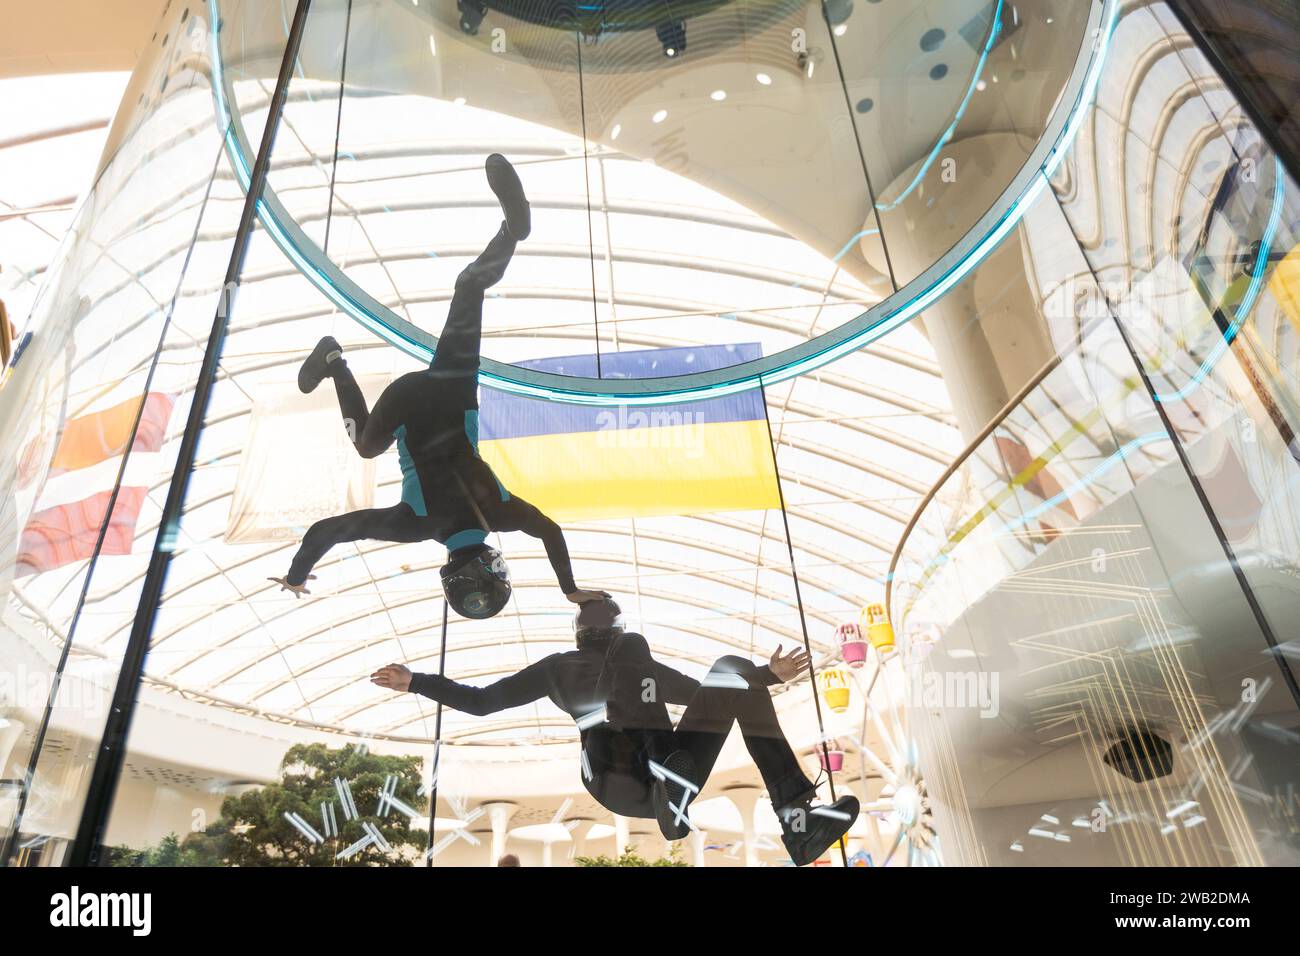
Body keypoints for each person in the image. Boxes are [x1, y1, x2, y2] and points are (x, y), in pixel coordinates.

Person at [269, 154, 602, 618]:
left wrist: (570, 588)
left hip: (454, 387)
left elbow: (550, 530)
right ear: (447, 572)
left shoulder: (503, 513)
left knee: (469, 287)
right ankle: (334, 361)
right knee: (367, 447)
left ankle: (512, 231)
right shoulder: (415, 526)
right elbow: (330, 530)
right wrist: (297, 574)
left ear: (494, 561)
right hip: (405, 405)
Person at [370, 596, 859, 866]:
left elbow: (711, 691)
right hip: (617, 773)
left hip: (664, 774)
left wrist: (766, 676)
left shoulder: (619, 663)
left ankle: (796, 819)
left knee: (734, 669)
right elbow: (482, 703)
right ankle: (668, 792)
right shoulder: (565, 668)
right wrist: (418, 682)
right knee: (736, 673)